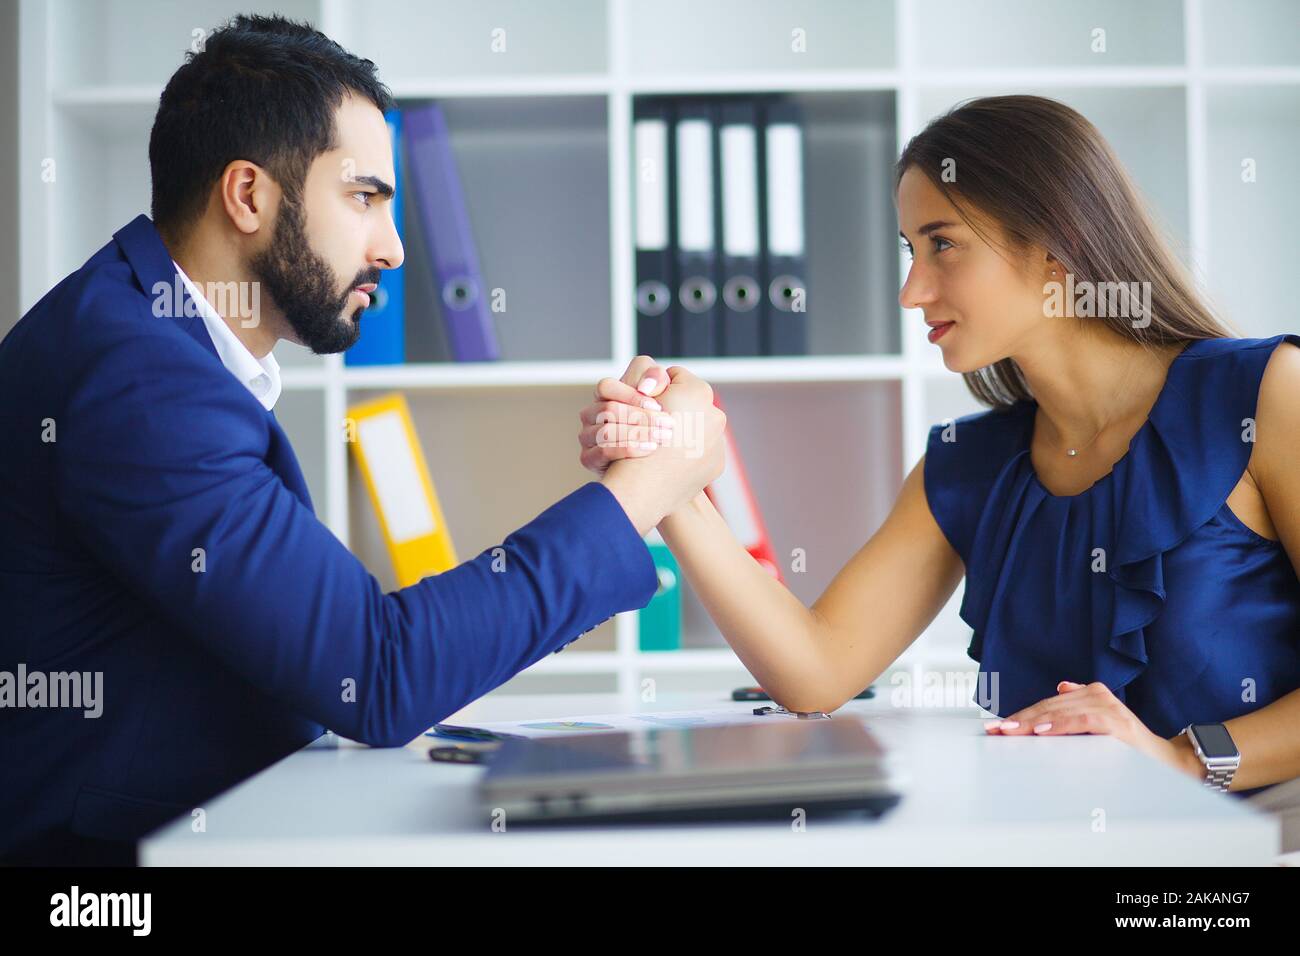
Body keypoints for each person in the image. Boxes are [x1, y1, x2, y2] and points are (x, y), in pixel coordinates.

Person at [0, 14, 724, 865]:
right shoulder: (141, 380)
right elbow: (378, 673)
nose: (396, 247)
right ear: (248, 195)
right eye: (364, 197)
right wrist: (640, 492)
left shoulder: (150, 338)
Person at [580, 96, 1300, 843]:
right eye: (909, 251)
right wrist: (667, 480)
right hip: (1081, 844)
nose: (911, 291)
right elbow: (818, 670)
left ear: (1058, 244)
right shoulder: (969, 464)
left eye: (943, 244)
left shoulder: (1265, 394)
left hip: (1265, 832)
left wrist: (1184, 760)